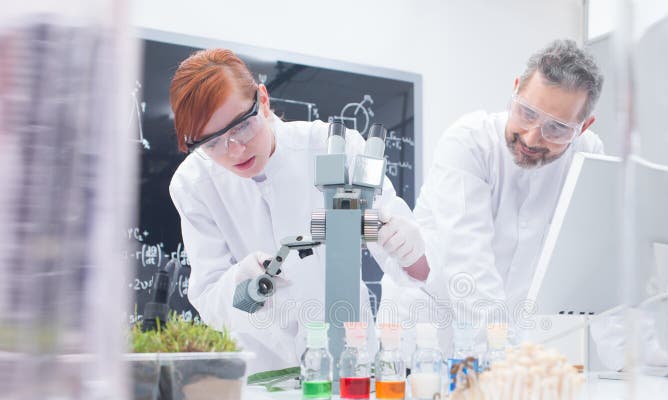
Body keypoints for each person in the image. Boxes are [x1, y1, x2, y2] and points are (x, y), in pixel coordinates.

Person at [168, 48, 428, 374]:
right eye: (212, 143)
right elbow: (210, 300)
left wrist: (408, 245)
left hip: (349, 363)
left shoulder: (332, 147)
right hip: (263, 374)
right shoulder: (194, 184)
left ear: (263, 100)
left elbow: (416, 271)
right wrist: (240, 281)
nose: (234, 150)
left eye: (241, 127)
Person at [379, 39, 604, 349]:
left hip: (506, 333)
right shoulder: (470, 142)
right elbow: (468, 264)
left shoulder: (586, 156)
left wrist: (631, 359)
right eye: (526, 112)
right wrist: (505, 353)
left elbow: (599, 262)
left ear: (583, 127)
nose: (531, 138)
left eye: (557, 129)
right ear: (516, 89)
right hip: (426, 327)